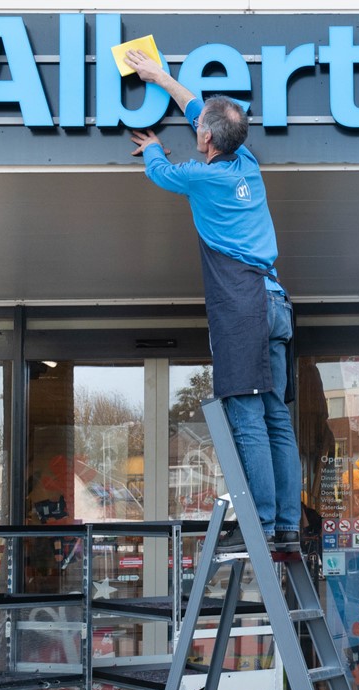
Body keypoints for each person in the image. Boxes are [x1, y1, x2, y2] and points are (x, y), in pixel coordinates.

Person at [124, 48, 300, 553]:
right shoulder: (247, 164)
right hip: (275, 303)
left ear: (205, 139)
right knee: (276, 419)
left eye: (199, 125)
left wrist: (155, 146)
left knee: (245, 417)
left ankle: (262, 527)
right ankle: (285, 521)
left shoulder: (204, 177)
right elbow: (197, 107)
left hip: (243, 306)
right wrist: (161, 77)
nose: (196, 124)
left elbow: (159, 173)